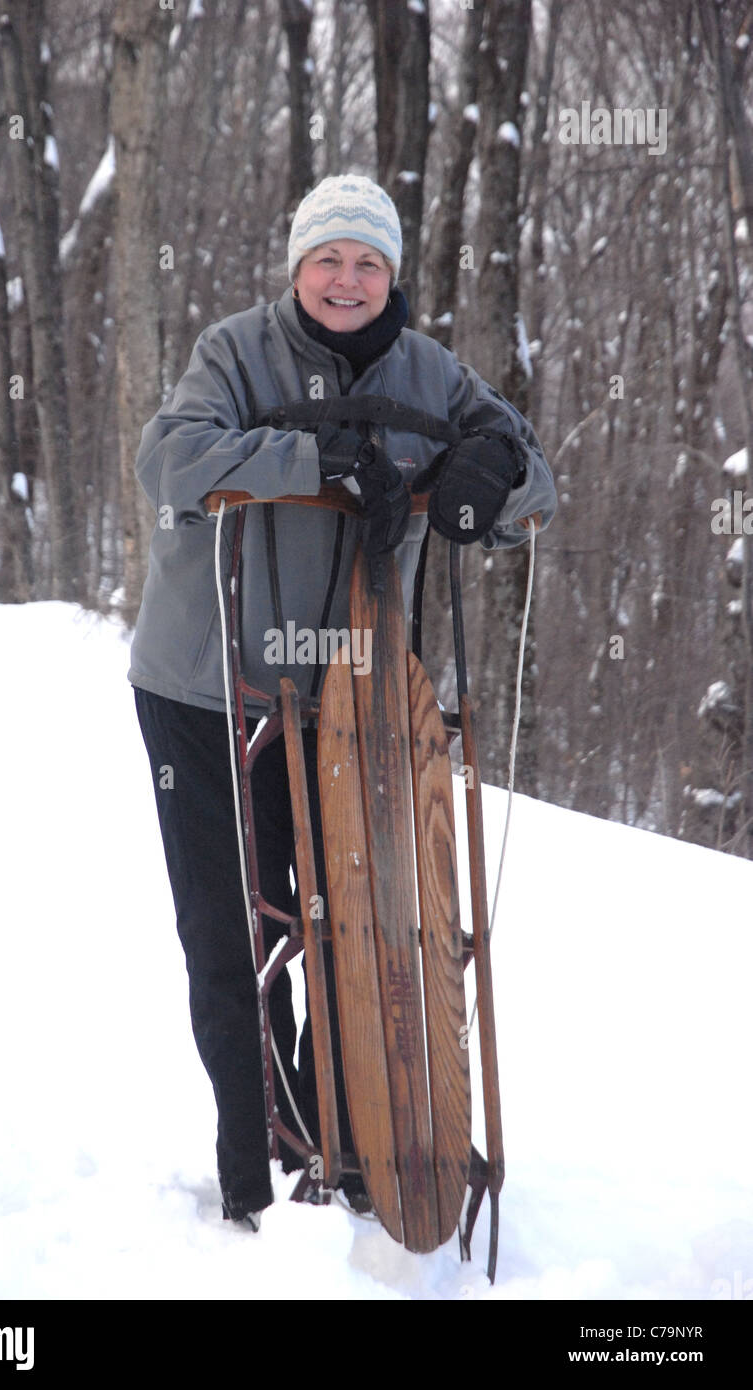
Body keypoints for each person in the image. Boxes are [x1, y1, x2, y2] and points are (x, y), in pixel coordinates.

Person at [129, 174, 557, 1231]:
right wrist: (310, 455)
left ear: (393, 274)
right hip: (207, 686)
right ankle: (255, 1176)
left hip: (345, 698)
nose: (347, 279)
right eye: (328, 258)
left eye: (368, 261)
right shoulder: (237, 352)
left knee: (353, 926)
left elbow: (534, 484)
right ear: (297, 268)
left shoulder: (429, 371)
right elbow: (168, 459)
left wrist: (483, 464)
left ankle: (353, 1143)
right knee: (237, 935)